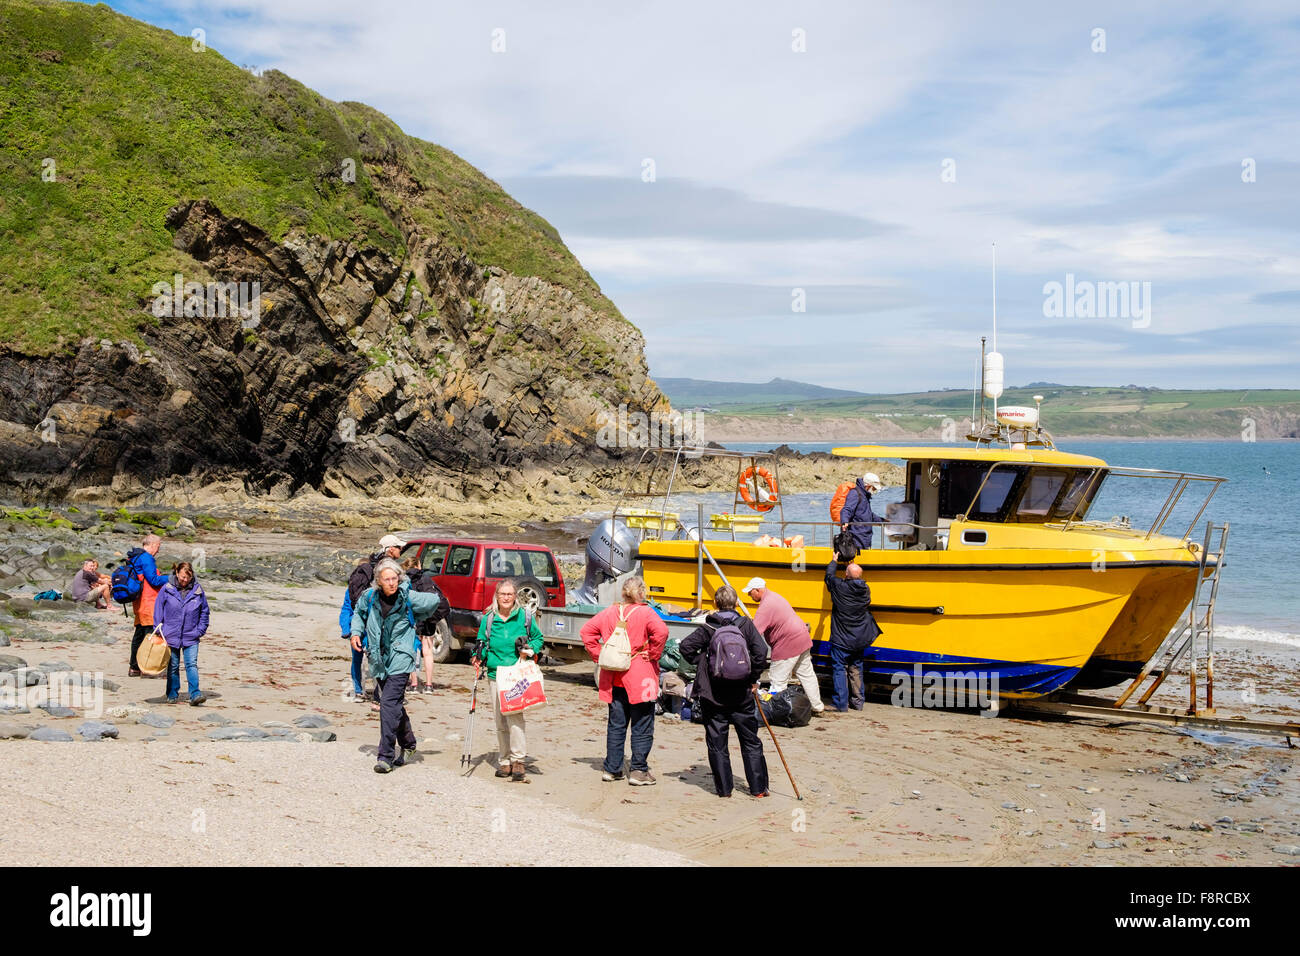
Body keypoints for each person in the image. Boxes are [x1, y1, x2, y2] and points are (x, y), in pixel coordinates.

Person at [349, 558, 444, 773]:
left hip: (401, 658)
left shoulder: (407, 596)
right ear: (379, 581)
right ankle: (409, 743)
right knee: (394, 706)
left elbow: (435, 601)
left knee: (388, 704)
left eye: (395, 578)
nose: (392, 582)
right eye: (387, 579)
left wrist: (419, 614)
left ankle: (385, 756)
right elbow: (359, 614)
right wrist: (356, 632)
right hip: (378, 658)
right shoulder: (370, 596)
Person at [679, 586, 771, 798]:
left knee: (717, 743)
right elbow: (761, 651)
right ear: (736, 603)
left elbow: (685, 647)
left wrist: (703, 662)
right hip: (742, 694)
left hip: (713, 695)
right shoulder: (745, 625)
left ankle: (724, 790)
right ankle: (757, 788)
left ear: (715, 604)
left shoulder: (708, 627)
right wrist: (752, 677)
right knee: (750, 741)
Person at [579, 576, 669, 786]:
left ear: (623, 592)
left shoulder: (611, 611)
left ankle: (612, 769)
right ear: (642, 592)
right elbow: (662, 632)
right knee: (642, 724)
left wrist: (599, 654)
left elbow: (586, 632)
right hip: (640, 674)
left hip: (614, 675)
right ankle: (638, 770)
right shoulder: (646, 612)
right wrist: (654, 653)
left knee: (616, 724)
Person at [471, 579, 545, 783]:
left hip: (516, 674)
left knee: (515, 718)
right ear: (496, 595)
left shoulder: (525, 616)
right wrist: (478, 655)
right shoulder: (488, 618)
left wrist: (530, 650)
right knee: (500, 721)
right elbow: (482, 642)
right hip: (496, 674)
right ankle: (505, 760)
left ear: (515, 596)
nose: (506, 598)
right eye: (502, 594)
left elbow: (538, 639)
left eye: (510, 594)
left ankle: (518, 760)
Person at [339, 534, 406, 701]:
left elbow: (347, 606)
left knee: (358, 657)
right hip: (373, 621)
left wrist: (347, 629)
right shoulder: (386, 570)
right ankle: (380, 693)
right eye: (398, 547)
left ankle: (358, 690)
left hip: (358, 621)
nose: (401, 550)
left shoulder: (361, 576)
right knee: (378, 657)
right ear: (390, 549)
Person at [743, 577, 824, 714]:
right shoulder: (775, 597)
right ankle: (817, 706)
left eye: (750, 593)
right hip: (802, 638)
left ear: (757, 590)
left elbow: (754, 633)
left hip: (787, 644)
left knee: (777, 680)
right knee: (807, 674)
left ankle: (776, 711)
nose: (749, 596)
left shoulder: (766, 605)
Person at [824, 559, 882, 711]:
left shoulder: (839, 586)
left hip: (842, 637)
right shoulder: (865, 589)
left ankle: (840, 703)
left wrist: (834, 561)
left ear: (845, 575)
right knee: (856, 668)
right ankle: (857, 702)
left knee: (839, 668)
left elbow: (829, 577)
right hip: (859, 637)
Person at [154, 561, 210, 705]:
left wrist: (200, 630)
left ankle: (195, 694)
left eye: (188, 577)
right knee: (172, 666)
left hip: (191, 635)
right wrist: (159, 630)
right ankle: (172, 694)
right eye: (183, 577)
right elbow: (158, 609)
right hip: (170, 634)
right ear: (177, 573)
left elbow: (204, 611)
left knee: (191, 664)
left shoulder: (198, 590)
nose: (185, 580)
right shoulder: (166, 588)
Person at [127, 535, 170, 677]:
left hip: (140, 602)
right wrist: (172, 577)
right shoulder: (146, 558)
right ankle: (146, 668)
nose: (158, 550)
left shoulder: (135, 557)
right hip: (148, 602)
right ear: (152, 545)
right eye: (158, 546)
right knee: (149, 635)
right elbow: (154, 580)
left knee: (139, 634)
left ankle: (134, 667)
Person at [401, 556, 444, 694]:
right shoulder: (426, 578)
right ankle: (429, 685)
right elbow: (438, 600)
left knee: (412, 651)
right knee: (428, 651)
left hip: (412, 618)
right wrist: (433, 618)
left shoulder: (403, 580)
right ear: (418, 565)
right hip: (428, 618)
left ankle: (414, 684)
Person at [839, 472, 884, 554]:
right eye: (874, 488)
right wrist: (844, 521)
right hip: (857, 535)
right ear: (868, 486)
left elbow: (867, 514)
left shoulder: (865, 496)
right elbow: (846, 509)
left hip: (865, 536)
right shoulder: (855, 493)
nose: (874, 491)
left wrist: (882, 521)